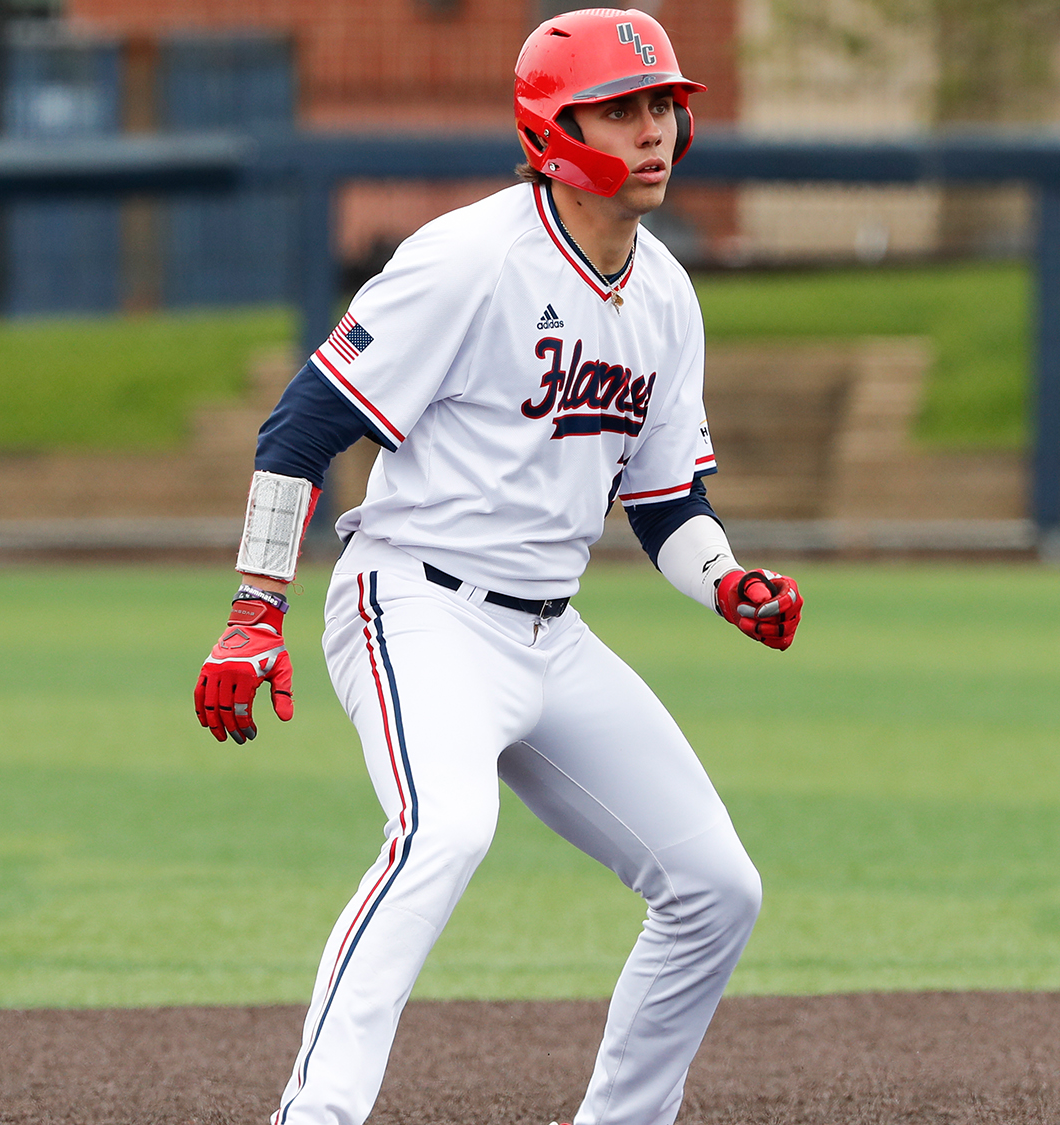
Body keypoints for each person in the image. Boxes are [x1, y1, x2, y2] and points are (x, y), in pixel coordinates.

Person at [193, 10, 804, 1125]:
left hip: (548, 635)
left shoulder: (664, 295)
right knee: (444, 833)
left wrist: (723, 580)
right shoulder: (467, 259)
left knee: (716, 890)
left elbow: (668, 503)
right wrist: (251, 608)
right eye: (622, 109)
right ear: (552, 128)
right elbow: (297, 428)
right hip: (414, 606)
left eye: (663, 105)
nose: (655, 129)